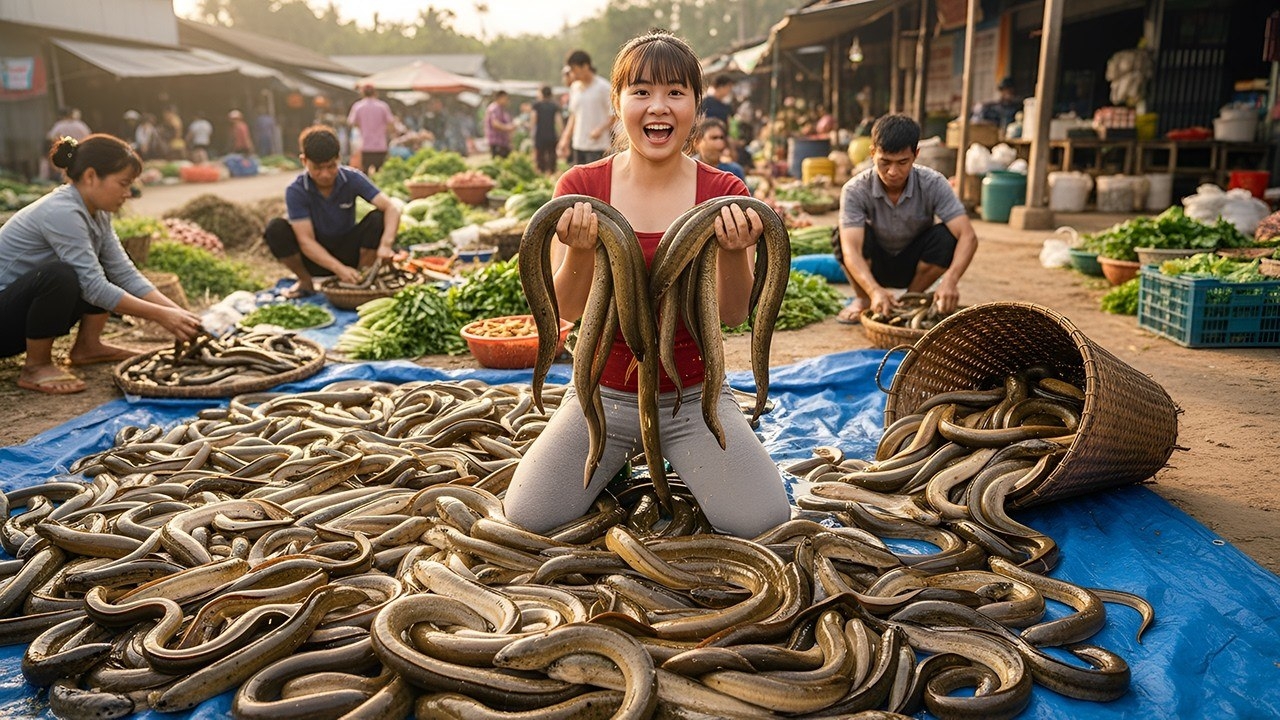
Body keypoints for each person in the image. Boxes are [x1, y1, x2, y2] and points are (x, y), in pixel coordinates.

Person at [503, 30, 790, 539]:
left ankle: (678, 455)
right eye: (641, 92)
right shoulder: (579, 189)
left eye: (676, 92)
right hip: (601, 395)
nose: (658, 106)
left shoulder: (725, 193)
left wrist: (730, 254)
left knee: (763, 522)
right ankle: (612, 464)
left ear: (696, 106)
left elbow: (731, 314)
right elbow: (567, 308)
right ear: (616, 103)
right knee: (531, 517)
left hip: (693, 398)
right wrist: (583, 251)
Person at [0, 135, 203, 394]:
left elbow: (123, 272)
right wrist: (162, 316)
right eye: (123, 183)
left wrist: (181, 316)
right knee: (60, 275)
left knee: (98, 269)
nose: (128, 194)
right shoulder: (62, 211)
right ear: (91, 176)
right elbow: (93, 288)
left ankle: (88, 346)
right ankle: (36, 366)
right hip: (4, 320)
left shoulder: (98, 212)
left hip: (17, 318)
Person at [833, 114, 978, 324]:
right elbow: (850, 250)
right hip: (875, 266)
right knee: (841, 236)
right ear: (873, 153)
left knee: (947, 237)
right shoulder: (855, 189)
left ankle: (909, 300)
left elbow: (968, 236)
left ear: (916, 155)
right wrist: (874, 290)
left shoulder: (934, 183)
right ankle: (864, 299)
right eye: (885, 162)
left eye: (902, 162)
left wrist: (950, 280)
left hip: (914, 265)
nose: (893, 172)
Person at [263, 125, 401, 299]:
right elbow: (306, 241)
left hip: (348, 252)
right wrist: (338, 269)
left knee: (378, 218)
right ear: (304, 161)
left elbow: (392, 207)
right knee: (276, 228)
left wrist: (386, 245)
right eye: (318, 168)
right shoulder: (296, 190)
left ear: (338, 158)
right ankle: (306, 282)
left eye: (331, 166)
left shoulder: (352, 178)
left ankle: (360, 279)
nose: (325, 174)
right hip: (314, 258)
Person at [557, 50, 614, 166]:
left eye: (574, 69)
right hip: (579, 144)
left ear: (585, 66)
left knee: (597, 183)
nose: (572, 73)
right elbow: (573, 115)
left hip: (598, 146)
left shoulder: (603, 87)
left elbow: (614, 114)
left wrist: (600, 129)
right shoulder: (574, 88)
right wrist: (565, 139)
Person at [346, 84, 395, 173]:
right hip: (380, 146)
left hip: (365, 145)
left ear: (363, 93)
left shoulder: (358, 106)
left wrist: (361, 126)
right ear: (375, 93)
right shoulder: (382, 106)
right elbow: (391, 123)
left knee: (365, 173)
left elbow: (351, 122)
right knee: (379, 173)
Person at [692, 117, 746, 182]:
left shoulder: (733, 172)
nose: (719, 142)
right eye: (714, 138)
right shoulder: (688, 169)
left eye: (721, 138)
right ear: (698, 142)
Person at [530, 85, 562, 175]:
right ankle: (551, 172)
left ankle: (542, 172)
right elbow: (558, 121)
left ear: (541, 93)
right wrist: (560, 134)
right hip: (551, 134)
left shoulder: (537, 105)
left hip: (540, 134)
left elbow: (533, 120)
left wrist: (531, 132)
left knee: (540, 155)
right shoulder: (554, 106)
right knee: (552, 154)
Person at [483, 90, 516, 159]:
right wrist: (507, 128)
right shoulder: (494, 108)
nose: (507, 101)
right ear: (500, 98)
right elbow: (495, 123)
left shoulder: (501, 109)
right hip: (496, 142)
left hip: (503, 142)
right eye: (505, 99)